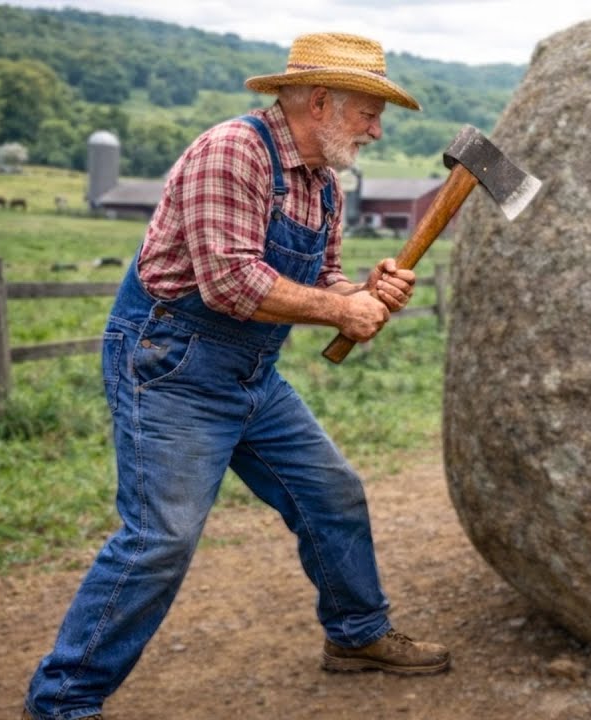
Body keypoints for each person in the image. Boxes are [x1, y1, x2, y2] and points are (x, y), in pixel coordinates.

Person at [23, 32, 449, 720]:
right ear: (319, 102)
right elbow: (231, 282)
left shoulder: (323, 186)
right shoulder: (234, 152)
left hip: (252, 370)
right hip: (174, 364)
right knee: (161, 538)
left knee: (332, 493)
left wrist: (364, 293)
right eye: (369, 113)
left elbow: (323, 279)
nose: (376, 130)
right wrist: (342, 309)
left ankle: (356, 635)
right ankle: (63, 701)